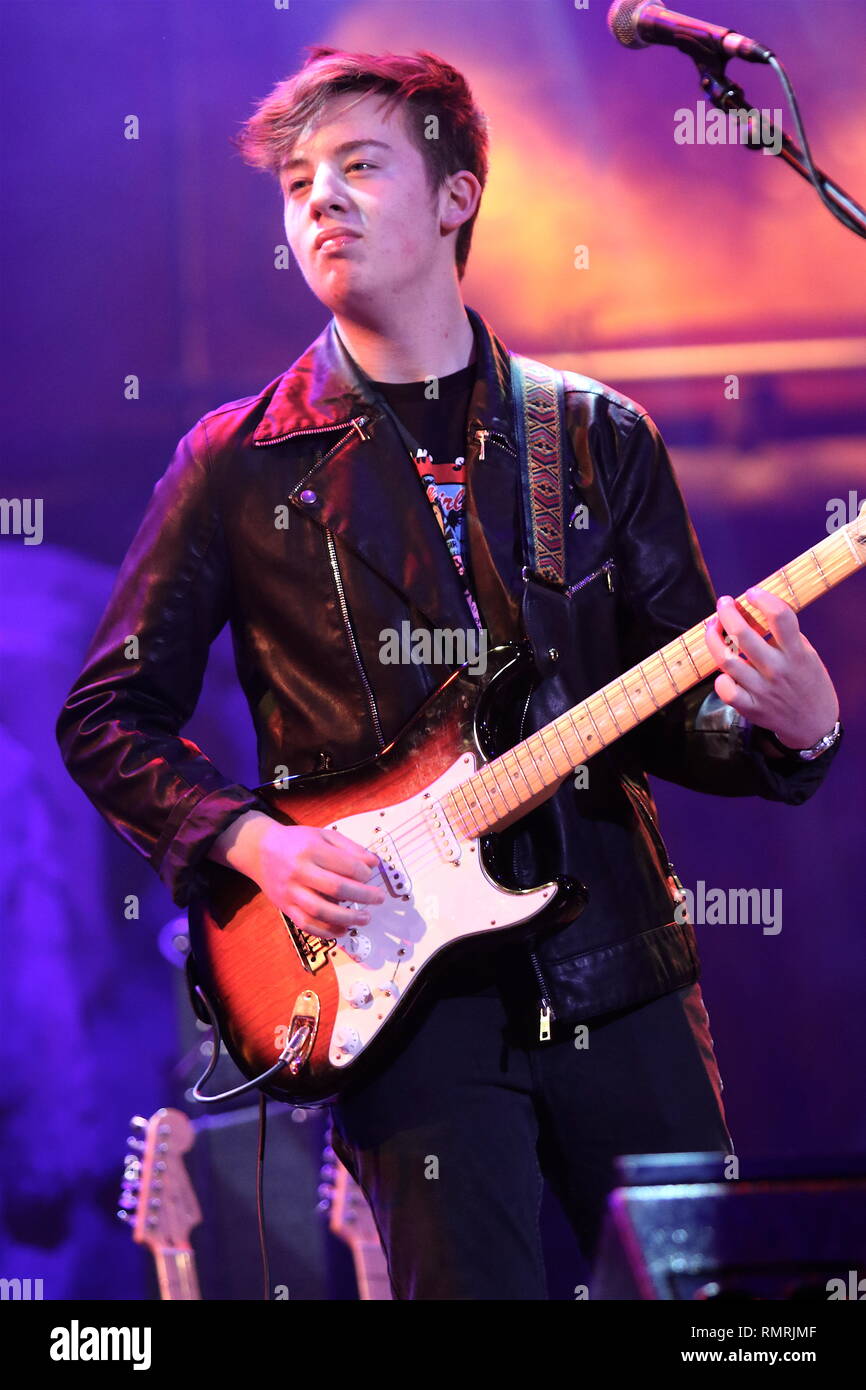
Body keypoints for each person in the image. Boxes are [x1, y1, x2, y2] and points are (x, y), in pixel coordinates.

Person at [56, 47, 843, 1300]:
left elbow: (681, 714)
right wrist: (255, 846)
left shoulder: (593, 435)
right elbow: (106, 714)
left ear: (455, 195)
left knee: (717, 1318)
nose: (319, 198)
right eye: (298, 180)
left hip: (613, 968)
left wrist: (790, 729)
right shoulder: (236, 464)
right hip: (394, 999)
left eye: (359, 165)